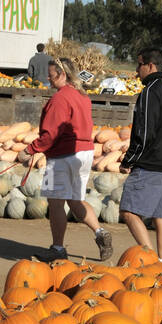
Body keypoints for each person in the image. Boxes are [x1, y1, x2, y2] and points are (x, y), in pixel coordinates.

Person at [24, 57, 112, 262]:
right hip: (84, 152)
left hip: (63, 155)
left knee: (55, 203)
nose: (48, 77)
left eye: (51, 73)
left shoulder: (60, 99)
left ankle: (57, 248)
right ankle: (100, 232)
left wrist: (30, 150)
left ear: (62, 74)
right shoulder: (82, 96)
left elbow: (50, 134)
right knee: (74, 200)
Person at [119, 48, 162, 263]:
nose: (137, 71)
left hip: (151, 163)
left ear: (151, 66)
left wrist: (129, 159)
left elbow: (144, 132)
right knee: (160, 216)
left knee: (128, 211)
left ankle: (150, 259)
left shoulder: (150, 92)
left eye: (139, 65)